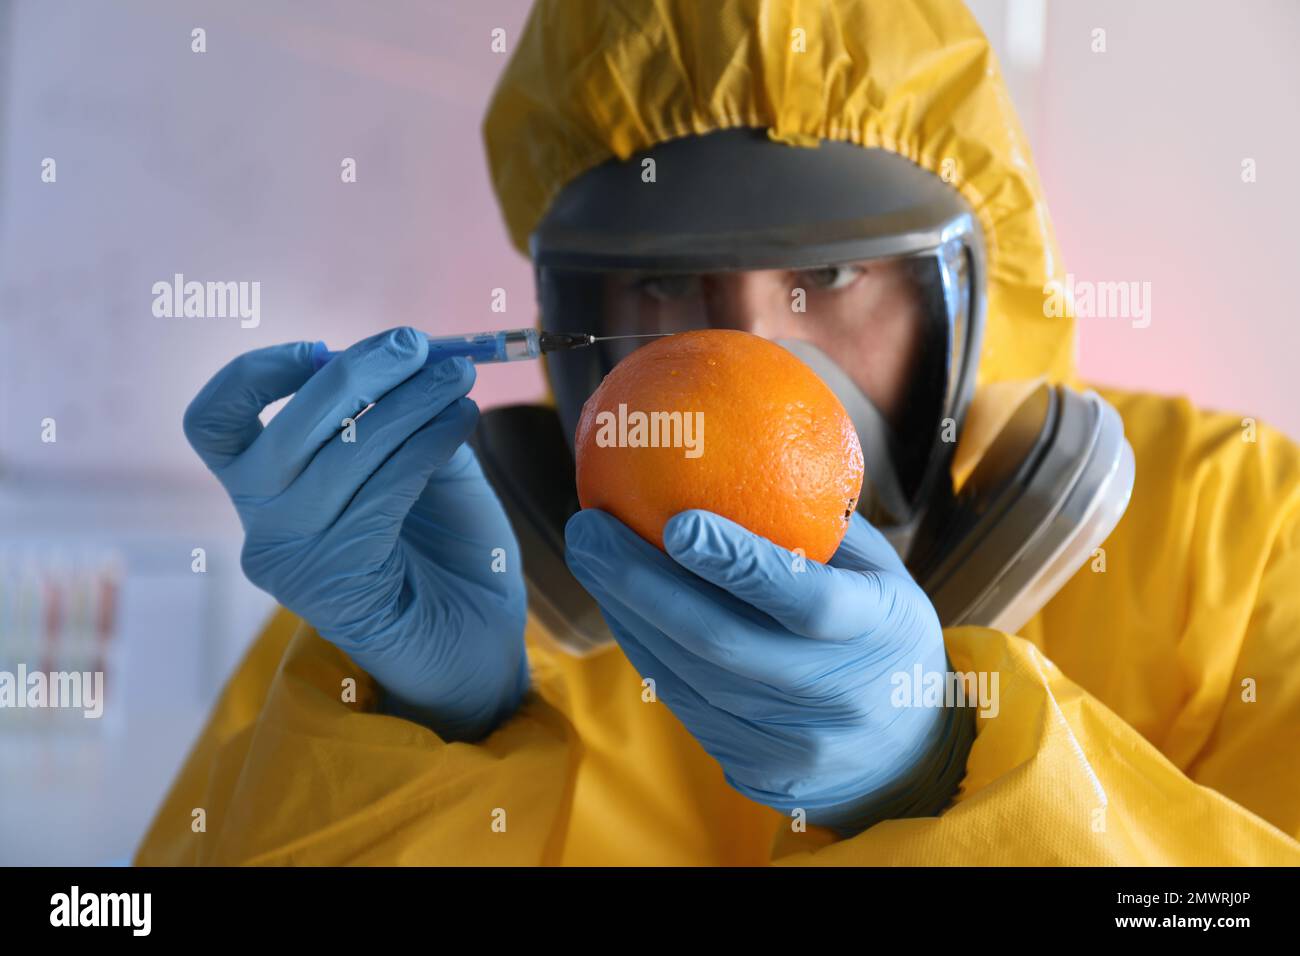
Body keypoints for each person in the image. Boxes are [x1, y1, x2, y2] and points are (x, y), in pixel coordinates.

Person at [136, 0, 1300, 864]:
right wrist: (420, 733)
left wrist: (947, 780)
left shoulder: (1235, 541)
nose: (749, 356)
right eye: (664, 286)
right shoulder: (423, 586)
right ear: (568, 324)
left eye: (832, 272)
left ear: (972, 300)